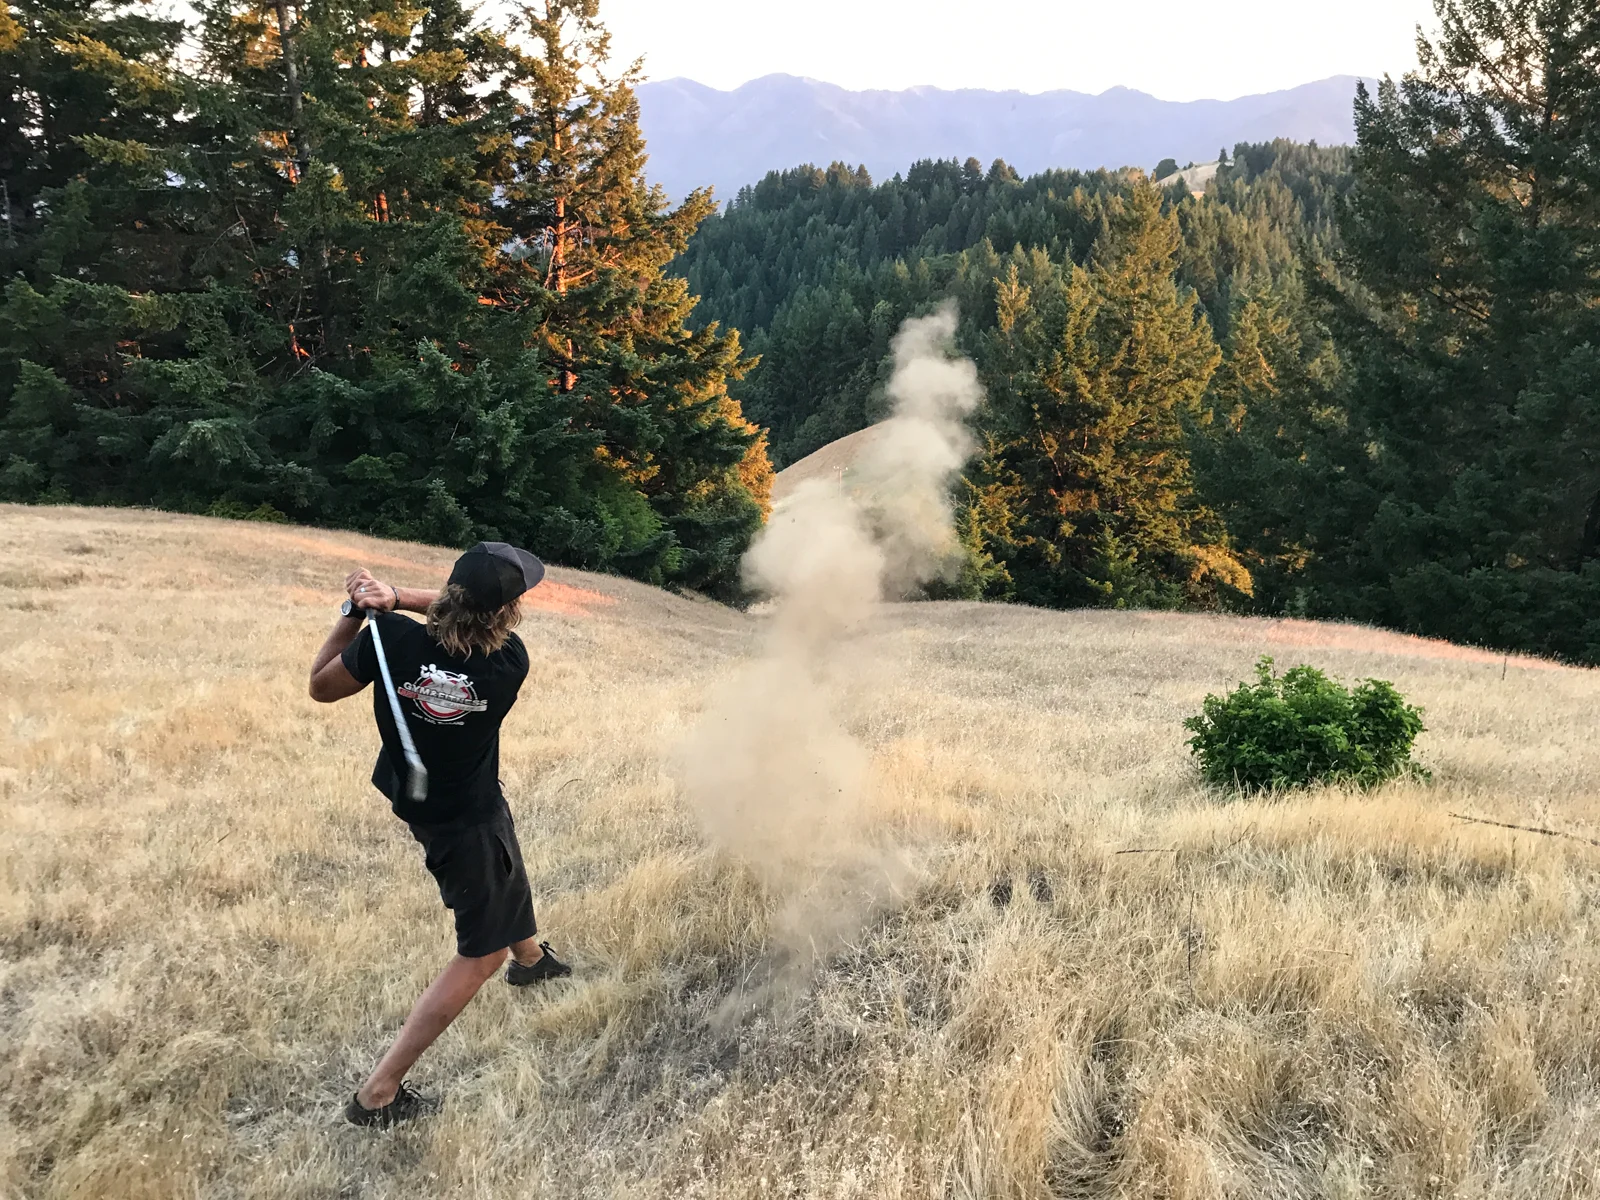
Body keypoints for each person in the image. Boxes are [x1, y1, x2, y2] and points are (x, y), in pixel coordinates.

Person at [307, 541, 572, 1129]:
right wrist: (401, 599)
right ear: (507, 615)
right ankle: (378, 1091)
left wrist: (360, 612)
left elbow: (320, 687)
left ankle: (531, 960)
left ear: (450, 593)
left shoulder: (391, 640)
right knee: (480, 954)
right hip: (466, 816)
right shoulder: (508, 664)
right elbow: (466, 617)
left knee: (503, 869)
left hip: (421, 800)